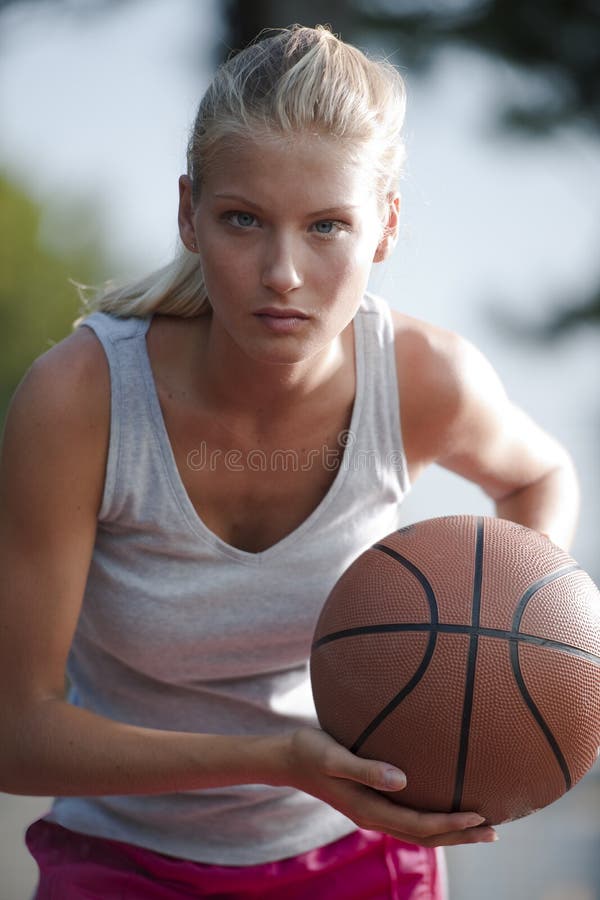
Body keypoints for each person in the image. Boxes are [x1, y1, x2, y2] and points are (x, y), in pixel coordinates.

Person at [0, 24, 578, 900]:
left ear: (384, 227)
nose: (282, 273)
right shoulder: (80, 401)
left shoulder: (426, 381)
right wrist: (279, 759)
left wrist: (518, 640)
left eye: (326, 227)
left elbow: (541, 475)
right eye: (243, 220)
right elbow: (16, 731)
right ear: (188, 213)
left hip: (361, 854)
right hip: (124, 863)